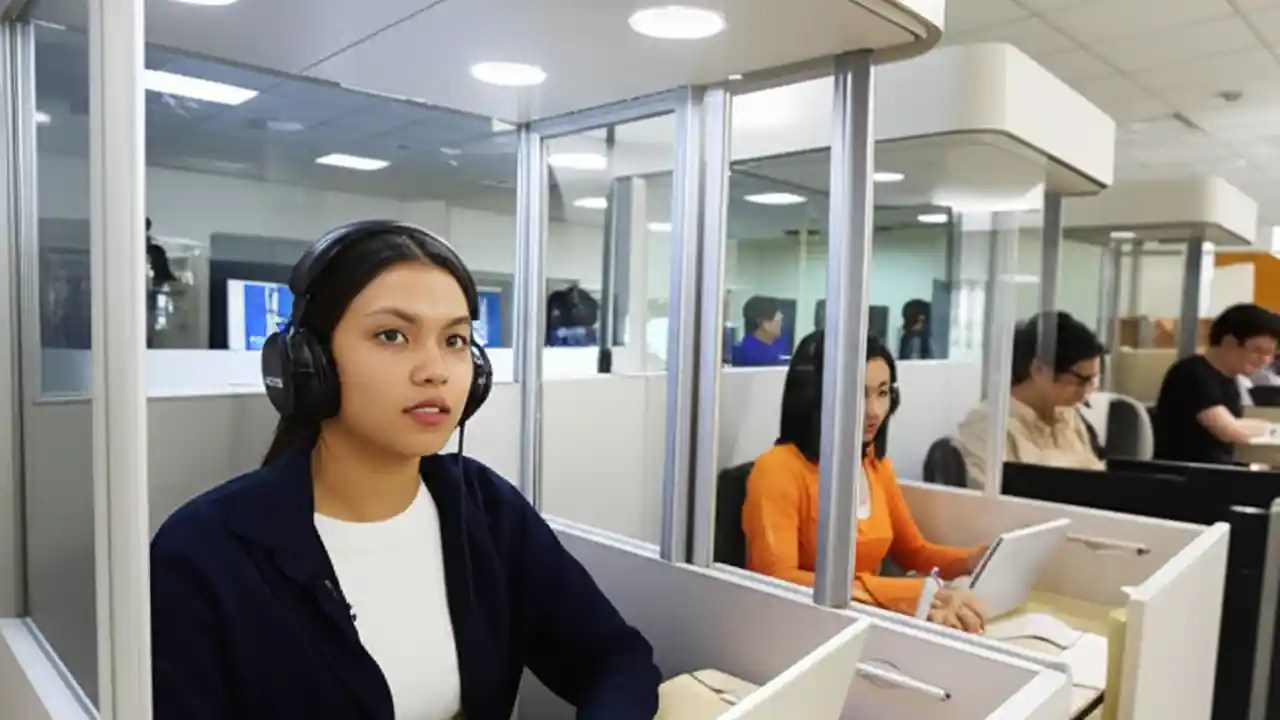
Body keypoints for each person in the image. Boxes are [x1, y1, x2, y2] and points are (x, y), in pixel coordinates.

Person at [150, 221, 660, 720]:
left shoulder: (482, 508)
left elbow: (615, 659)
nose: (434, 368)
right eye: (393, 335)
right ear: (310, 364)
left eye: (455, 340)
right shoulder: (204, 554)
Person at [742, 331, 989, 633]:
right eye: (859, 394)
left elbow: (915, 551)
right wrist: (906, 594)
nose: (874, 411)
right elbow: (777, 579)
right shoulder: (777, 469)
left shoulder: (875, 463)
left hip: (872, 623)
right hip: (808, 629)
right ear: (817, 396)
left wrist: (974, 559)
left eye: (882, 393)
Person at [955, 312, 1105, 488]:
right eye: (1080, 381)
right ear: (1039, 370)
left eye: (1092, 381)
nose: (1085, 392)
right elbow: (991, 502)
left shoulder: (1069, 416)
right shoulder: (987, 426)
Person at [1154, 303, 1280, 464]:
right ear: (1229, 343)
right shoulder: (1192, 374)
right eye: (1258, 350)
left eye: (1270, 353)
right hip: (1188, 477)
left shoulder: (1230, 378)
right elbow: (1230, 429)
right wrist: (1274, 432)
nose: (1265, 360)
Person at [732, 295, 789, 367]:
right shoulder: (744, 351)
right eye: (778, 322)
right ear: (764, 323)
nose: (781, 325)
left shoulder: (781, 344)